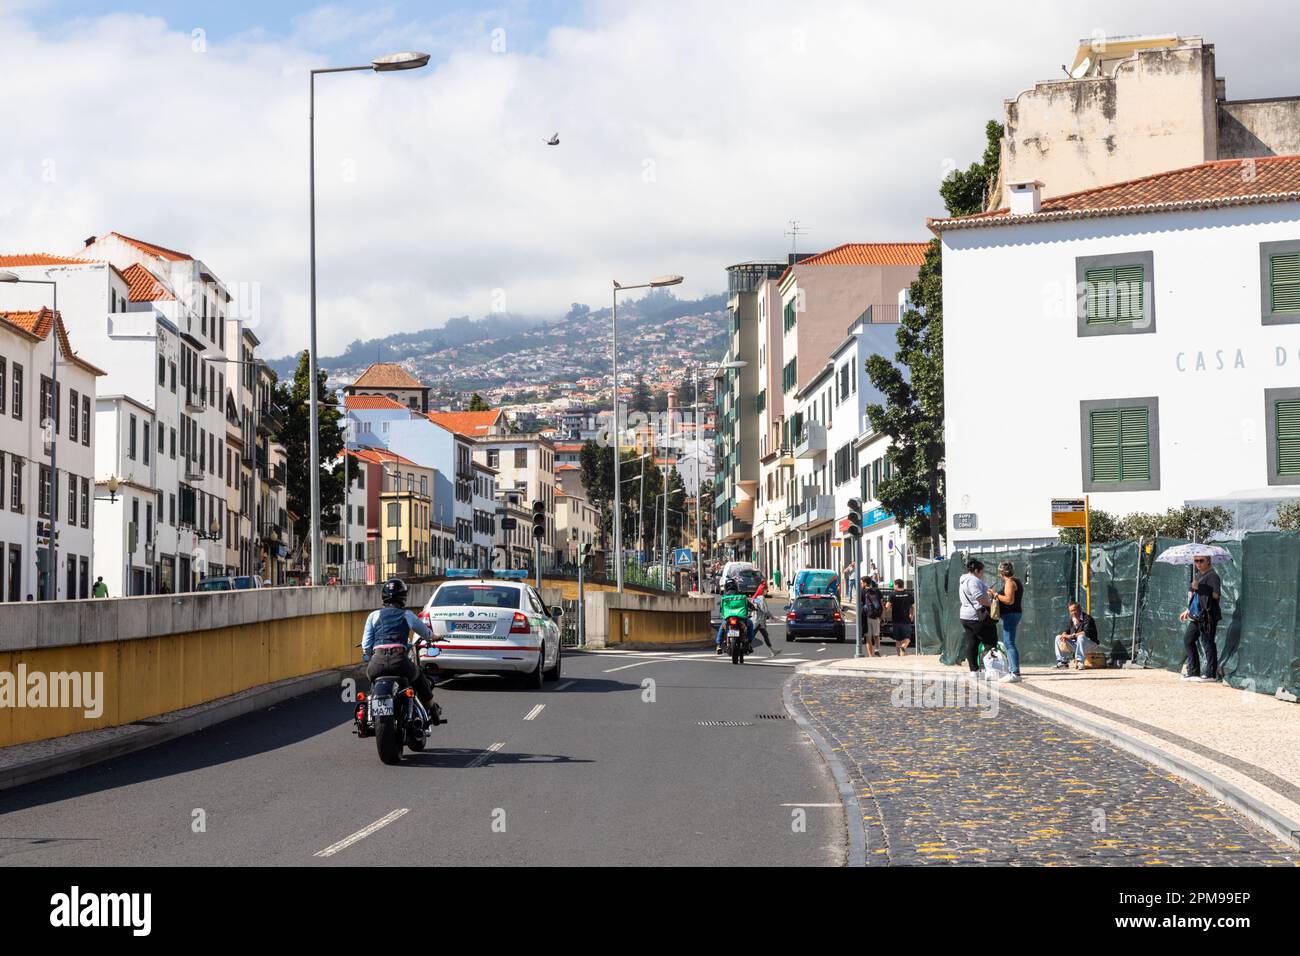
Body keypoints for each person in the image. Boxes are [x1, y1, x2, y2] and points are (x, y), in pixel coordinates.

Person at [362, 577, 442, 723]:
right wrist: (435, 637)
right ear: (403, 597)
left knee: (371, 683)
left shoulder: (373, 616)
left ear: (383, 596)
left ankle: (370, 710)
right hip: (399, 662)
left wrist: (371, 655)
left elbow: (366, 646)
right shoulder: (407, 615)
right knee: (418, 678)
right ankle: (432, 710)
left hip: (376, 663)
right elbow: (426, 634)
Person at [1179, 555, 1222, 682]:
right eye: (1196, 560)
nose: (1198, 563)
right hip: (1196, 615)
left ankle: (1211, 674)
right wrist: (1188, 610)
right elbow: (1195, 596)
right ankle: (1193, 671)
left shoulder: (1213, 576)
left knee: (1208, 643)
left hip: (1208, 616)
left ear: (1208, 561)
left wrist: (1200, 587)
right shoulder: (1197, 575)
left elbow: (1216, 595)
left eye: (1201, 560)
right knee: (1188, 640)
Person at [958, 559, 995, 674]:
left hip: (965, 615)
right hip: (977, 616)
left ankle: (974, 670)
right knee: (990, 642)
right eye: (982, 571)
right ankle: (987, 669)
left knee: (972, 642)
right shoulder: (974, 580)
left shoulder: (963, 580)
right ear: (976, 570)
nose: (982, 574)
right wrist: (992, 604)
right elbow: (979, 597)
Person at [989, 561, 1024, 681]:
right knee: (1009, 642)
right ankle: (1013, 670)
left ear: (1001, 573)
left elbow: (1009, 600)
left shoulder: (1009, 582)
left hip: (1011, 613)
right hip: (1013, 613)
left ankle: (1015, 672)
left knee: (1009, 643)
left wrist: (995, 595)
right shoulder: (1015, 581)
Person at [1055, 601, 1098, 669]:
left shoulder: (1087, 618)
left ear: (1079, 609)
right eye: (1071, 611)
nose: (1073, 613)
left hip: (1090, 644)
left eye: (1074, 610)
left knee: (1081, 637)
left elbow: (1085, 633)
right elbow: (1065, 632)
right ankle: (1063, 663)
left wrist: (1071, 636)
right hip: (1077, 644)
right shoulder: (1072, 620)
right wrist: (1064, 635)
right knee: (1058, 637)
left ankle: (1080, 662)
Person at [716, 579, 752, 653]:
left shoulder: (724, 597)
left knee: (722, 628)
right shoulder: (741, 595)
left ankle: (719, 645)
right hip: (741, 617)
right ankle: (749, 643)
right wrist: (753, 608)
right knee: (750, 624)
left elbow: (721, 607)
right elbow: (748, 604)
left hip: (728, 618)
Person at [750, 581, 780, 657]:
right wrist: (773, 617)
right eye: (766, 590)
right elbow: (765, 610)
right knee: (751, 636)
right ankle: (745, 647)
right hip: (759, 621)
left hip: (756, 620)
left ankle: (772, 651)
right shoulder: (761, 598)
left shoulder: (755, 598)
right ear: (762, 590)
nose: (767, 591)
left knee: (765, 635)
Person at [886, 579, 914, 656]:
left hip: (896, 619)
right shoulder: (909, 594)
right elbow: (913, 606)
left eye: (894, 584)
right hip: (906, 620)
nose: (894, 586)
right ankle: (903, 647)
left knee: (898, 639)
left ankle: (899, 655)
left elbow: (887, 606)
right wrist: (912, 614)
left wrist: (887, 610)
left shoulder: (892, 594)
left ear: (897, 585)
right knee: (907, 638)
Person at [862, 576, 884, 656]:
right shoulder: (877, 591)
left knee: (868, 637)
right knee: (876, 635)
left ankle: (870, 656)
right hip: (875, 615)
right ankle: (877, 649)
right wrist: (882, 616)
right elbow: (881, 604)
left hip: (866, 616)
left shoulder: (862, 592)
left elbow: (860, 605)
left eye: (862, 582)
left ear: (864, 583)